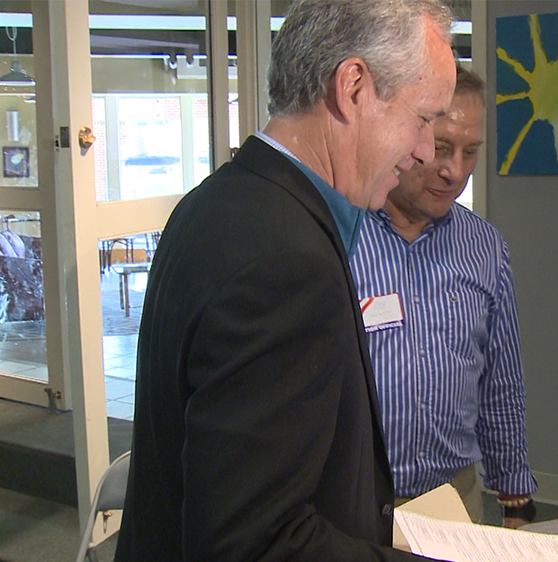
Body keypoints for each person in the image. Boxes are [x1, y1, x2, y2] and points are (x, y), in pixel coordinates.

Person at [113, 0, 457, 560]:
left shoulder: (215, 202)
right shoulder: (287, 260)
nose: (424, 151)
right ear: (353, 88)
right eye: (422, 118)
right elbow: (254, 544)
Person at [349, 65, 538, 529]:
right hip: (353, 499)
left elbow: (501, 383)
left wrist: (515, 495)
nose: (454, 170)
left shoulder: (484, 248)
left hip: (453, 499)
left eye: (470, 152)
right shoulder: (341, 236)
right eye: (442, 147)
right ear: (404, 137)